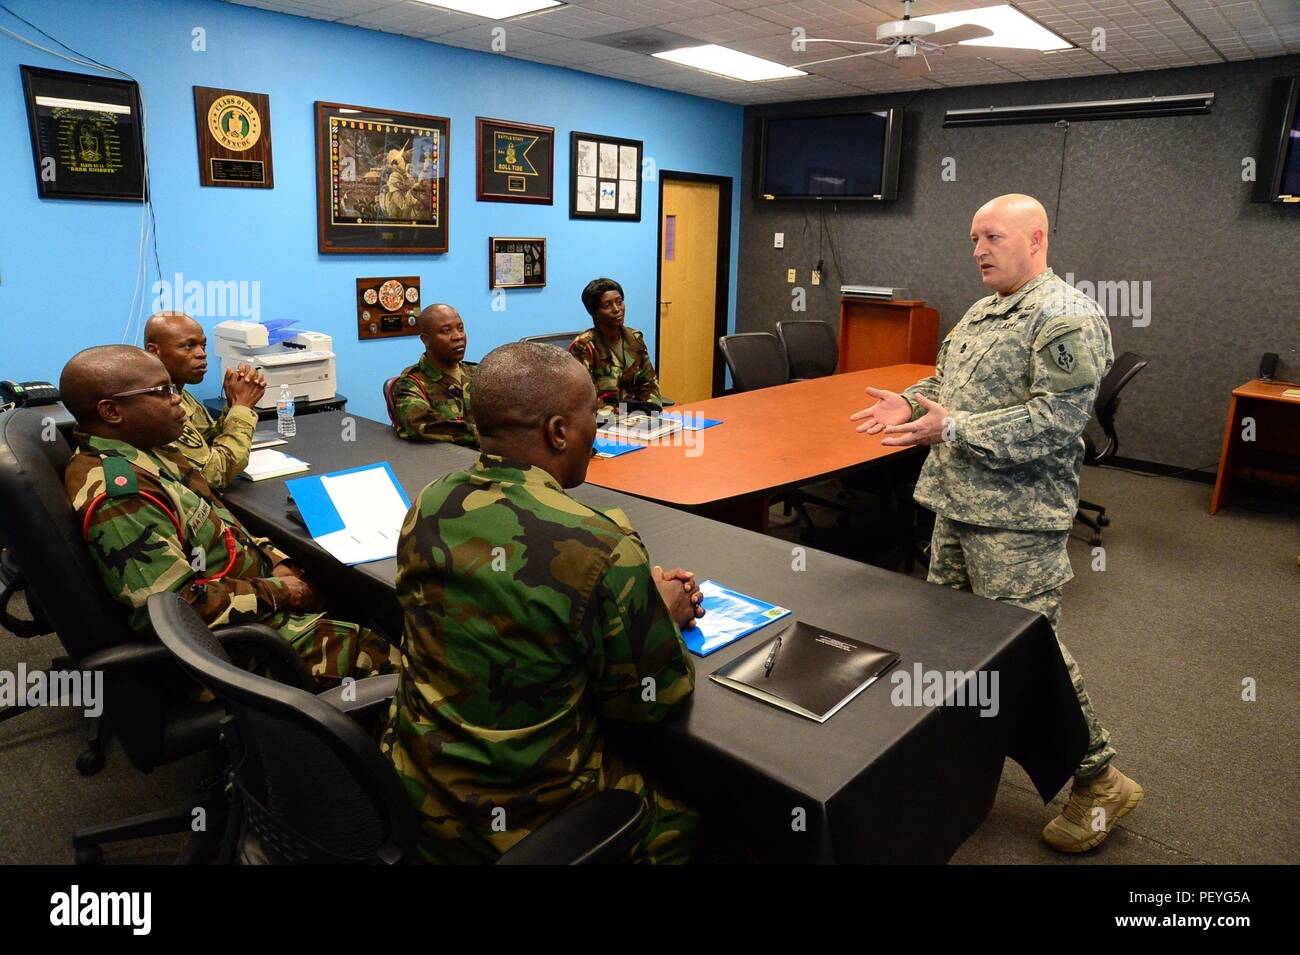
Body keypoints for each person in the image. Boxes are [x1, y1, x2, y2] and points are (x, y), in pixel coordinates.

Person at [850, 193, 1142, 853]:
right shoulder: (985, 309)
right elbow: (956, 381)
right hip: (959, 504)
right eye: (973, 238)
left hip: (1018, 519)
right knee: (953, 645)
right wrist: (911, 400)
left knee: (1029, 651)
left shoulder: (1066, 316)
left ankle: (1100, 778)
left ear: (1036, 239)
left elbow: (1058, 420)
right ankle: (959, 759)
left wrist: (949, 423)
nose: (978, 249)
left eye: (992, 237)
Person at [382, 341, 703, 865]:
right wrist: (656, 616)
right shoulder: (601, 544)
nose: (596, 435)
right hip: (524, 824)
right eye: (592, 420)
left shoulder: (430, 501)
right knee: (702, 811)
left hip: (415, 793)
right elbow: (650, 702)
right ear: (558, 431)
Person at [61, 345, 395, 688]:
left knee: (369, 594)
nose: (177, 400)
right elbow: (175, 612)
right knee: (395, 657)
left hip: (249, 596)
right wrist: (281, 591)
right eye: (162, 392)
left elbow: (222, 522)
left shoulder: (151, 452)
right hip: (235, 648)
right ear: (112, 411)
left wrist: (273, 559)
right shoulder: (123, 496)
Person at [144, 310, 265, 490]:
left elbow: (206, 442)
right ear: (154, 351)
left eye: (203, 346)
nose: (201, 354)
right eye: (188, 346)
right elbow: (216, 473)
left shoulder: (179, 393)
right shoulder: (157, 405)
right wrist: (242, 408)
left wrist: (233, 404)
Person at [389, 304, 478, 447]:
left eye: (460, 328)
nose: (458, 336)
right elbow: (419, 424)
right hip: (447, 462)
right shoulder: (410, 383)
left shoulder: (479, 373)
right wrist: (482, 435)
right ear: (426, 339)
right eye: (446, 330)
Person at [569, 278, 663, 412]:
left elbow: (649, 384)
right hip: (603, 422)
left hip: (637, 419)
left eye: (619, 302)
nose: (617, 309)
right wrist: (624, 413)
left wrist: (650, 409)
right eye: (607, 305)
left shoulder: (634, 338)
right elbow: (584, 399)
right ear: (594, 311)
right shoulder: (583, 347)